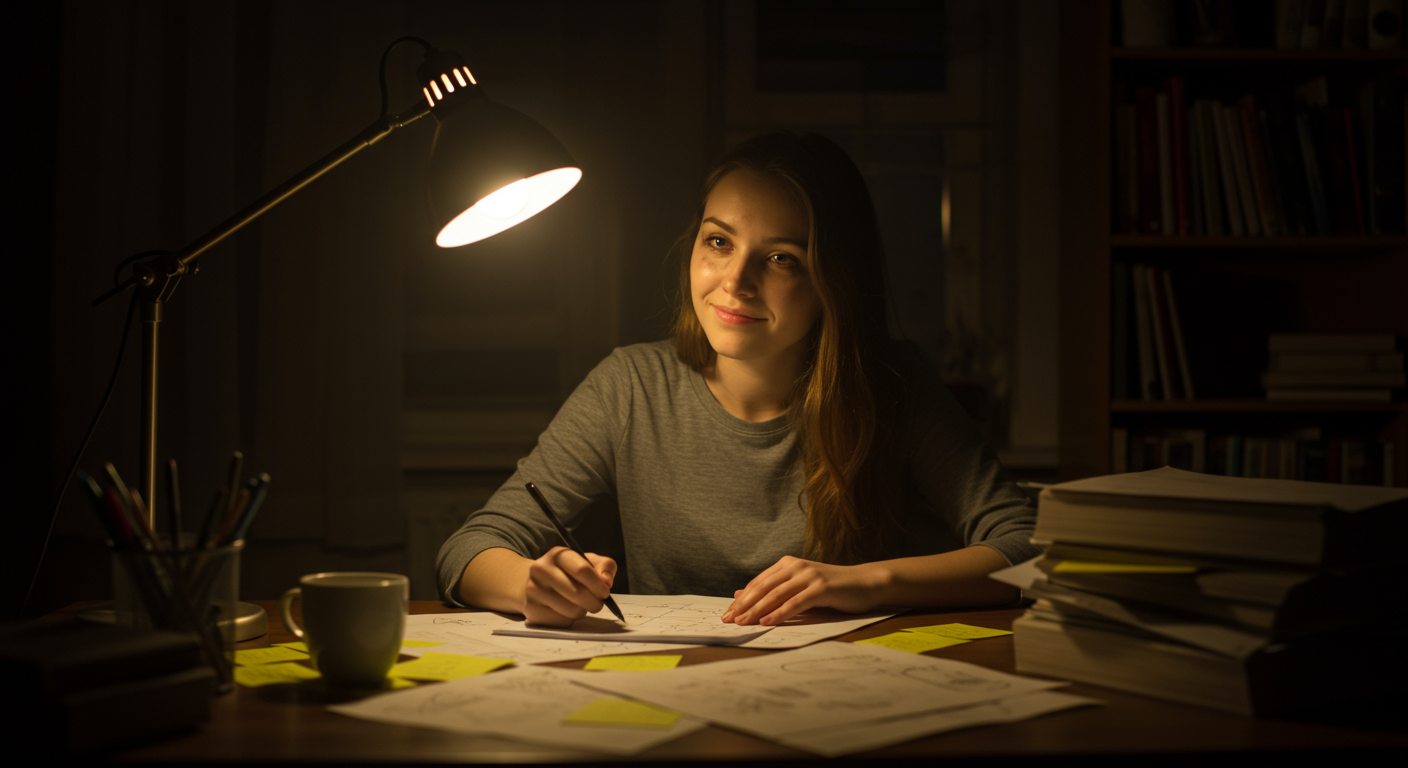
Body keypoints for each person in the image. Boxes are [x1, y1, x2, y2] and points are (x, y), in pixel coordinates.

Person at [436, 132, 1038, 628]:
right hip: (676, 691)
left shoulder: (893, 386)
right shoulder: (630, 387)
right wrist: (532, 584)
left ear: (834, 282)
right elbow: (468, 549)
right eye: (719, 242)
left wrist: (867, 583)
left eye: (781, 258)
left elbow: (1027, 549)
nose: (735, 281)